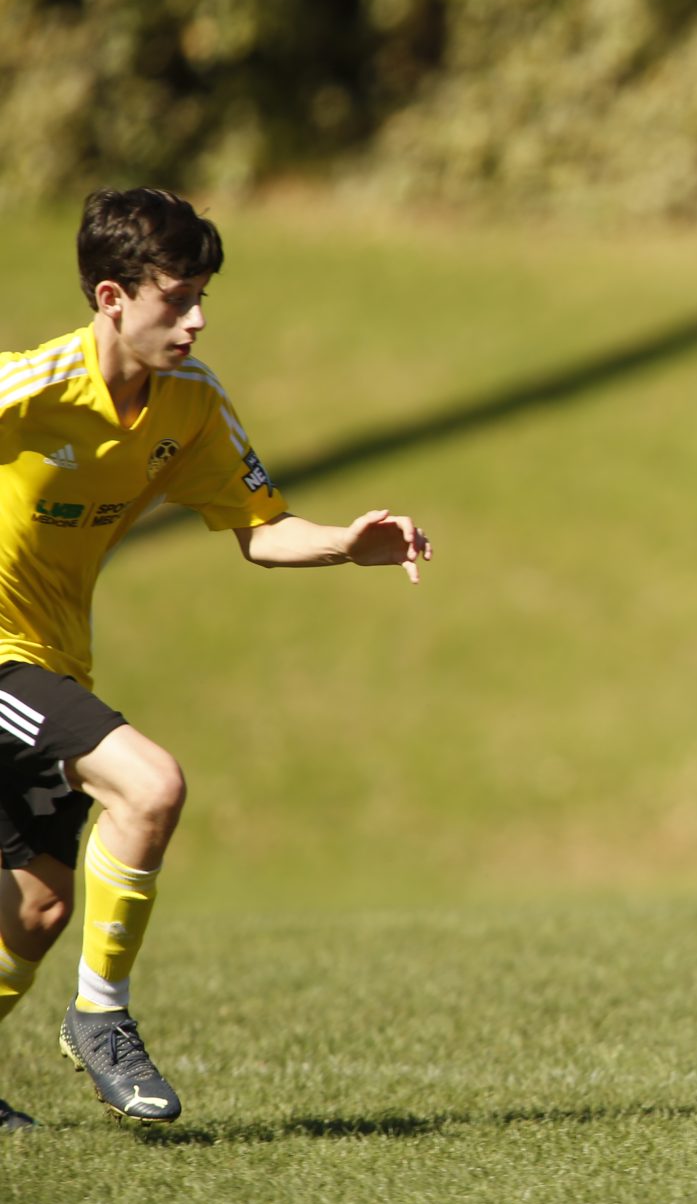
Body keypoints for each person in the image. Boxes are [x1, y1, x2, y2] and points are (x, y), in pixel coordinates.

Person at [0, 188, 432, 1130]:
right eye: (174, 300)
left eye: (202, 297)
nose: (196, 320)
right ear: (111, 298)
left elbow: (261, 530)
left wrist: (347, 545)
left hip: (53, 660)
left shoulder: (189, 408)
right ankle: (100, 1019)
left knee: (33, 913)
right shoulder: (24, 390)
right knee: (150, 787)